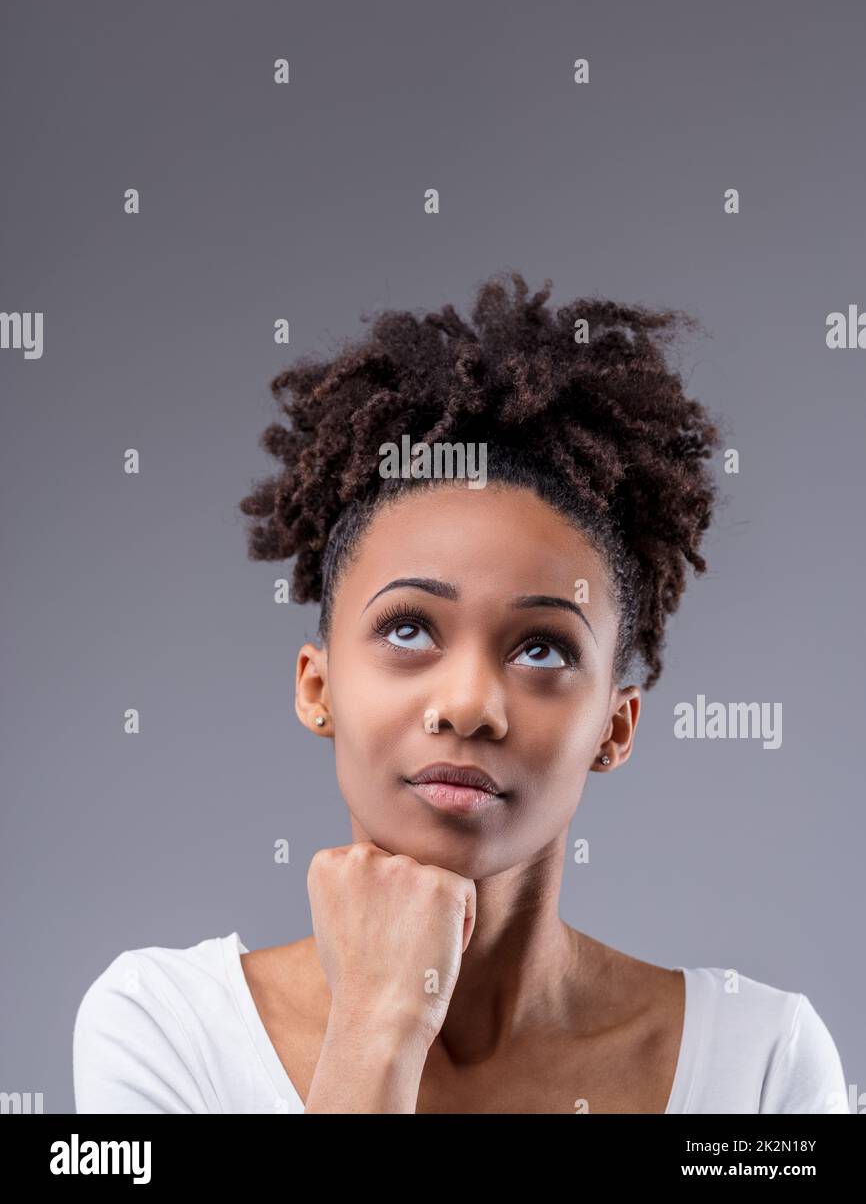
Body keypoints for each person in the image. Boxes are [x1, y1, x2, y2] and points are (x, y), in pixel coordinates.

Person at [73, 273, 850, 1114]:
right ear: (317, 686)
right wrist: (378, 1024)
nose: (471, 702)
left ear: (615, 729)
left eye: (544, 647)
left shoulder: (759, 1065)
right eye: (409, 629)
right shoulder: (167, 1028)